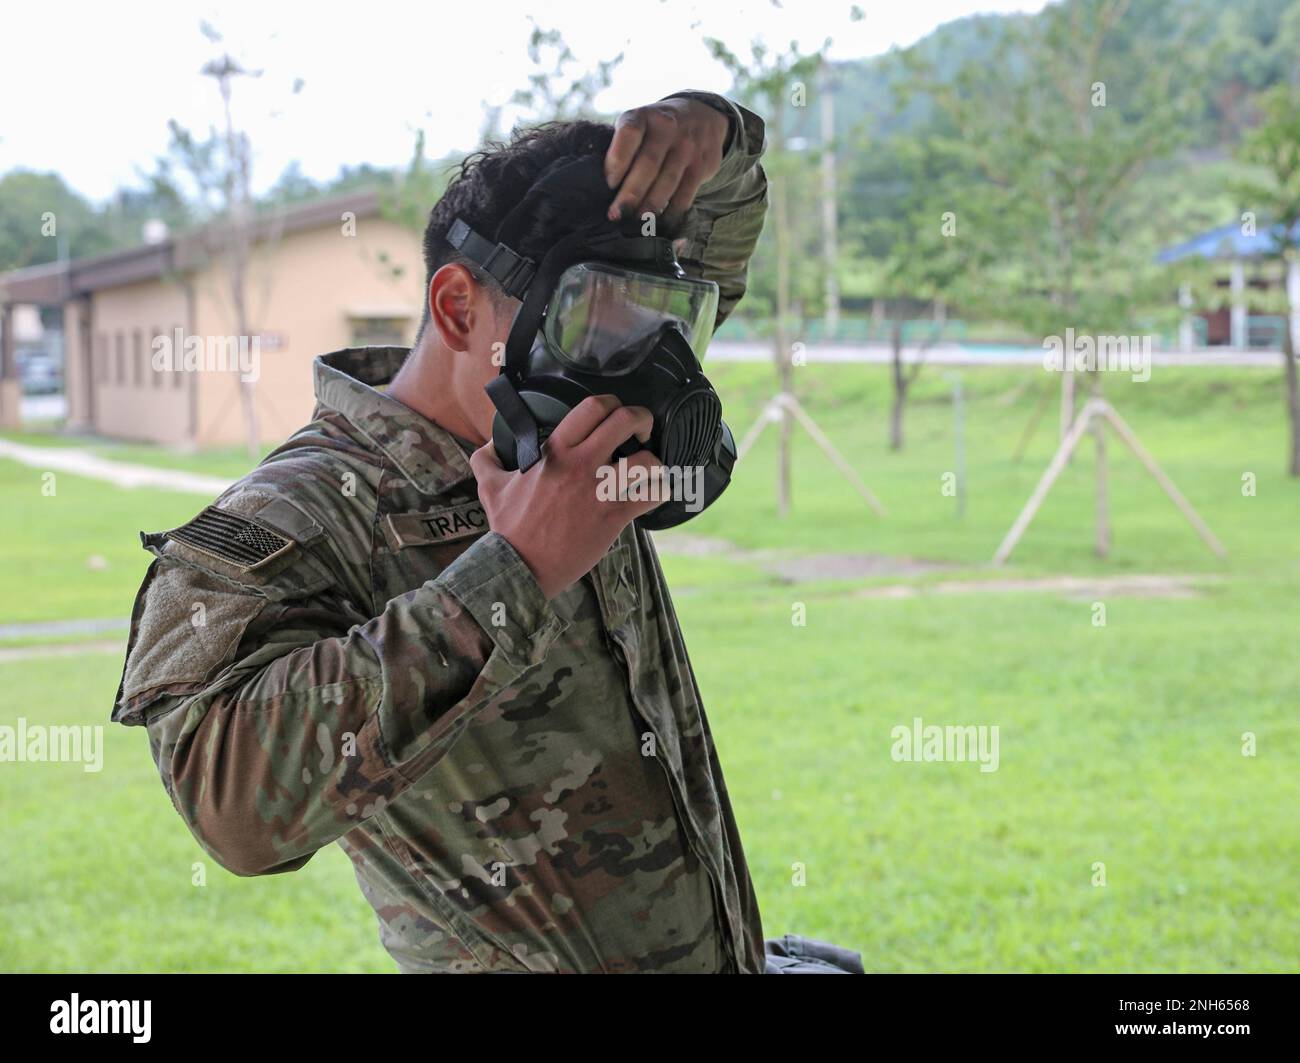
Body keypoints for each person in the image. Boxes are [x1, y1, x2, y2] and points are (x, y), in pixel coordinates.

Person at [112, 88, 860, 974]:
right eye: (598, 313)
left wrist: (715, 131)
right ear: (460, 307)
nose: (639, 361)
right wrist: (515, 571)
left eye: (664, 320)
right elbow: (231, 805)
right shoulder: (295, 516)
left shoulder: (578, 420)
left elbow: (729, 214)